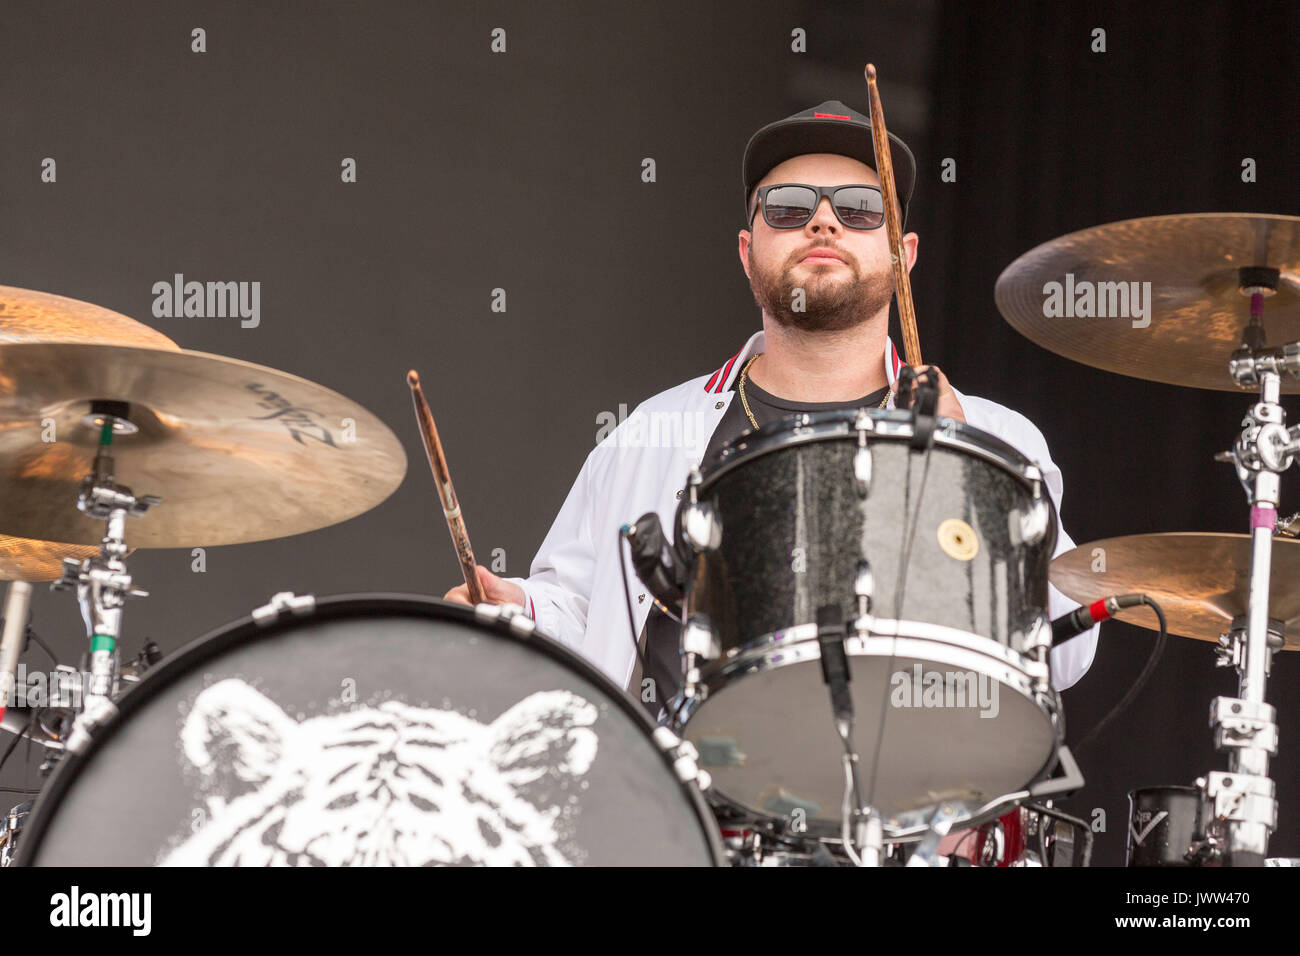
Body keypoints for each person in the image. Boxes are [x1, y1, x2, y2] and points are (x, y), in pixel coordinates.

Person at [446, 100, 1098, 716]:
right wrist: (522, 612)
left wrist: (970, 470)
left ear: (905, 257)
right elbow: (588, 618)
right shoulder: (650, 432)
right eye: (785, 208)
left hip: (911, 820)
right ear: (746, 250)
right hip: (692, 818)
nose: (823, 221)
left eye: (863, 209)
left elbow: (1066, 653)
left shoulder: (995, 435)